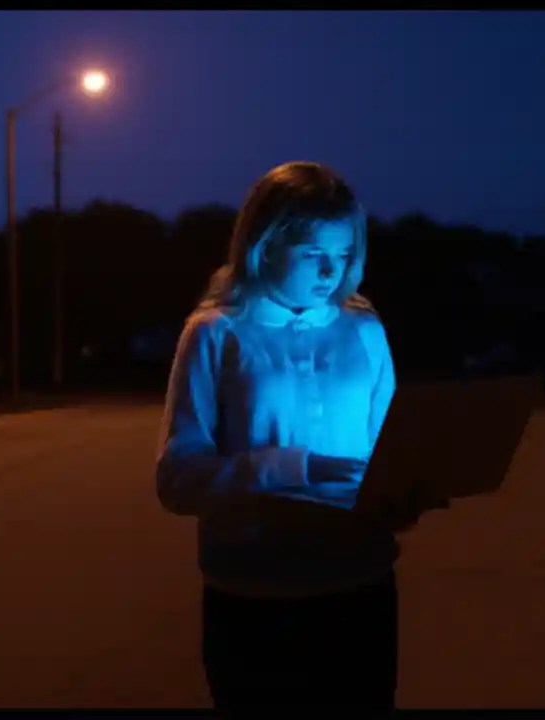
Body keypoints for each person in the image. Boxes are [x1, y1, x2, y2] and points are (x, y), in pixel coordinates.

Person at [154, 161, 404, 715]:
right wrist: (293, 469)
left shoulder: (364, 330)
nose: (330, 272)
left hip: (358, 590)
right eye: (313, 253)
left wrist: (402, 494)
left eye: (342, 256)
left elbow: (388, 455)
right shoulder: (216, 332)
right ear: (265, 245)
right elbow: (176, 480)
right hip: (254, 598)